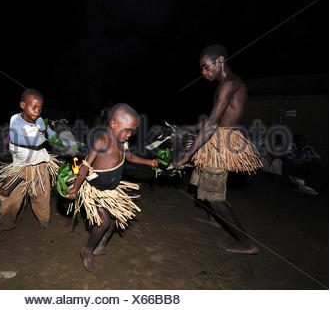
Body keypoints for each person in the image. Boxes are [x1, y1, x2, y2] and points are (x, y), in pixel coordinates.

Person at [174, 44, 263, 254]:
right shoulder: (224, 83)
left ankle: (245, 243)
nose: (203, 72)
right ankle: (214, 218)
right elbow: (215, 119)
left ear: (220, 61)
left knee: (213, 195)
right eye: (202, 68)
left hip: (222, 141)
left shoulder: (229, 84)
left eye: (206, 67)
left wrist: (187, 154)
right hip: (216, 137)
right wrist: (189, 128)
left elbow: (213, 123)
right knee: (200, 180)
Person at [67, 103, 159, 271]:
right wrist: (76, 187)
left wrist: (149, 162)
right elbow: (86, 166)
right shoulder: (102, 140)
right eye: (128, 130)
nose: (130, 134)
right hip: (96, 191)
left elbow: (129, 156)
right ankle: (87, 250)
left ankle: (100, 246)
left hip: (112, 191)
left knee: (116, 220)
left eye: (133, 131)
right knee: (103, 222)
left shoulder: (121, 141)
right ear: (113, 123)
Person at [0, 89, 63, 234]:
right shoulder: (15, 120)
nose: (37, 111)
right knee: (7, 193)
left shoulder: (40, 121)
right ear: (23, 105)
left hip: (40, 165)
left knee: (42, 195)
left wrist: (64, 141)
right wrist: (43, 138)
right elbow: (17, 139)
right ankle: (6, 222)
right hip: (20, 166)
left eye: (40, 108)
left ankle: (44, 220)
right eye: (34, 107)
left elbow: (51, 137)